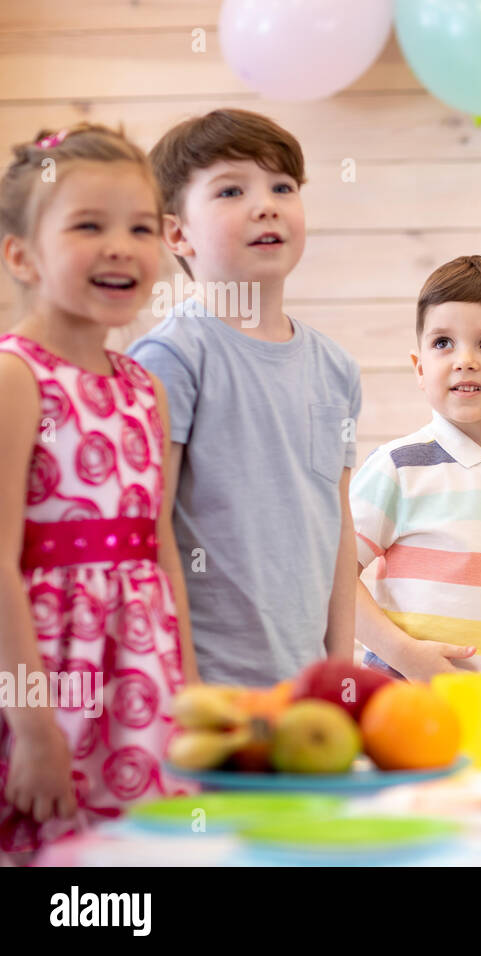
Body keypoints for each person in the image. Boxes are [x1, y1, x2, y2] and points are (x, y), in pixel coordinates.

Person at [0, 125, 196, 862]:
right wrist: (32, 728)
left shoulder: (146, 388)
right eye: (89, 225)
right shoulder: (17, 378)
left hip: (142, 680)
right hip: (45, 684)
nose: (122, 246)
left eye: (141, 228)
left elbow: (161, 550)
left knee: (141, 861)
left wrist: (191, 688)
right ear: (22, 254)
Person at [128, 109, 362, 686]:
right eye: (231, 190)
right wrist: (181, 680)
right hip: (206, 686)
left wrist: (338, 670)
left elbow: (339, 526)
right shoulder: (172, 357)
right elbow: (149, 530)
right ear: (176, 233)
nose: (267, 204)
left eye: (283, 186)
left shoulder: (336, 368)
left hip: (306, 689)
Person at [351, 255, 481, 681]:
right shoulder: (399, 467)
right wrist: (404, 653)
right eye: (443, 343)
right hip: (404, 691)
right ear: (420, 367)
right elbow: (332, 576)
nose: (463, 360)